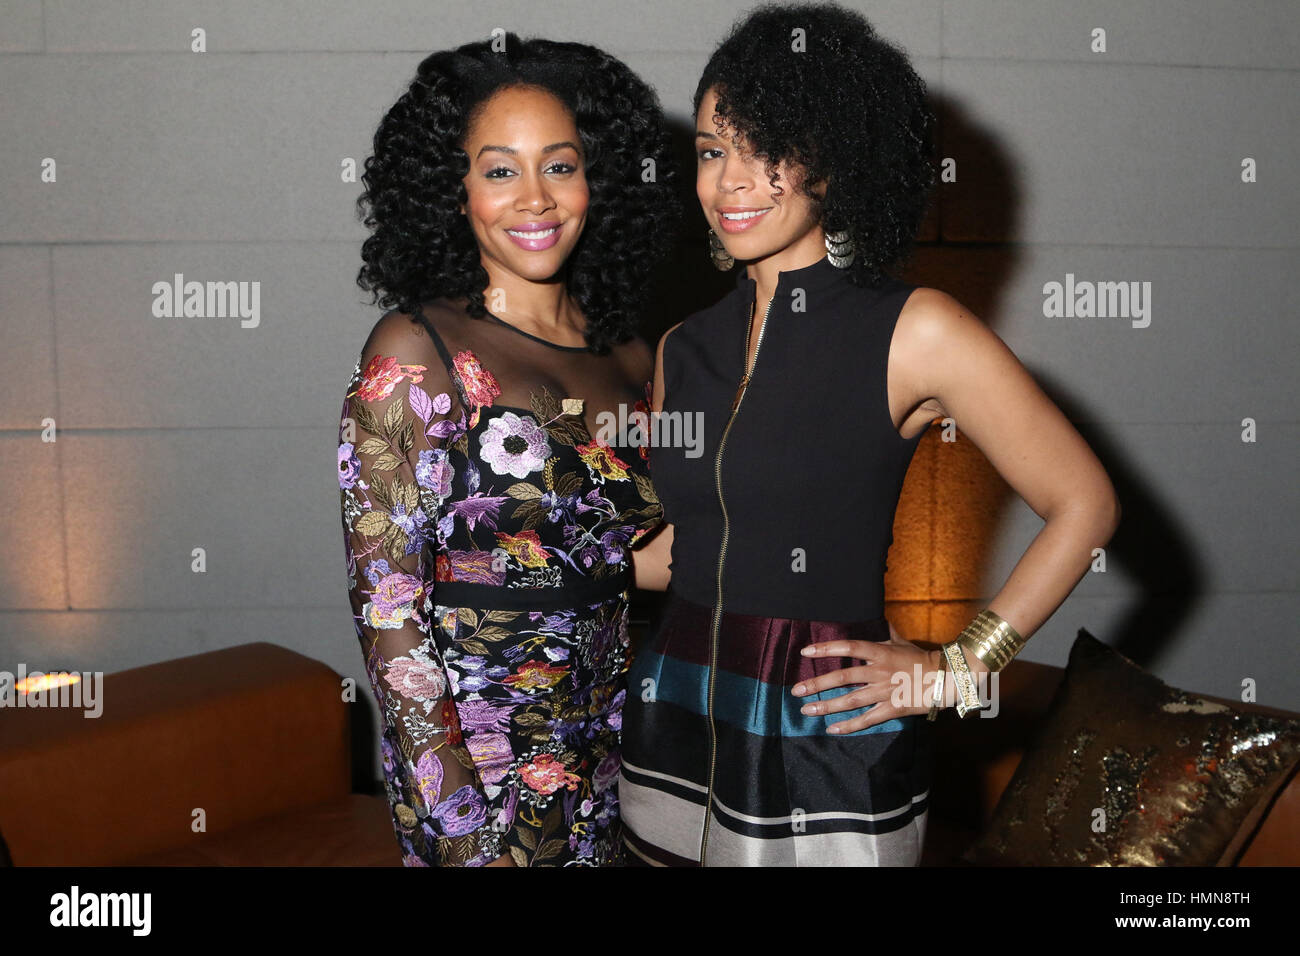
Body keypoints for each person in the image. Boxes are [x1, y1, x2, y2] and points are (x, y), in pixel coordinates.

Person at [620, 2, 1121, 866]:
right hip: (674, 714)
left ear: (836, 160)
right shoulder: (683, 346)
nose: (732, 181)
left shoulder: (915, 329)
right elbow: (685, 546)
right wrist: (522, 559)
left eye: (769, 148)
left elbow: (1084, 504)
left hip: (826, 729)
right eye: (712, 150)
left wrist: (957, 669)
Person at [339, 34, 678, 866]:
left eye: (560, 166)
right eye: (499, 170)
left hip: (621, 747)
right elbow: (389, 610)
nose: (536, 198)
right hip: (481, 770)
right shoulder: (419, 351)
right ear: (452, 192)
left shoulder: (633, 357)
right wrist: (456, 819)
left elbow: (651, 562)